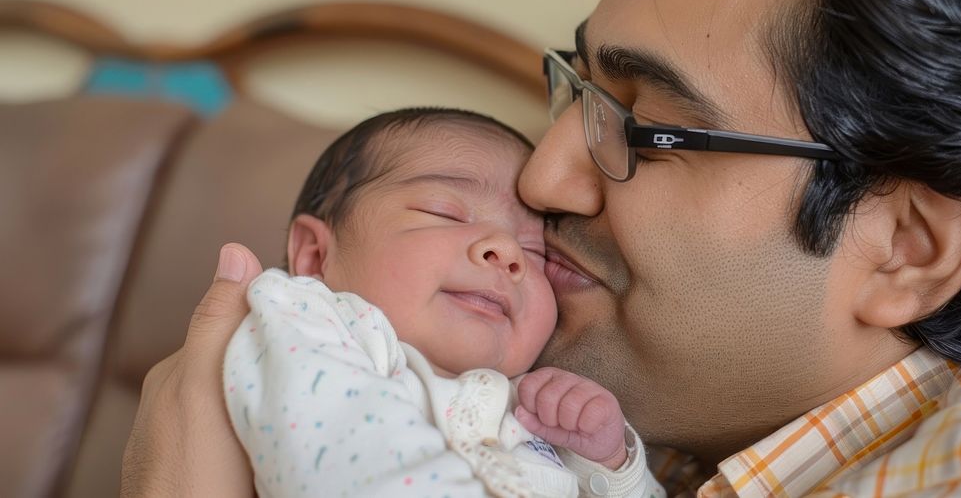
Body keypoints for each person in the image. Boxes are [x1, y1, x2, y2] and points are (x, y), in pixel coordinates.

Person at [122, 0, 961, 496]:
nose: (540, 180)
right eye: (579, 90)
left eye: (646, 125)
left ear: (905, 248)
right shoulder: (630, 411)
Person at [224, 108, 664, 497]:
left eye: (534, 250)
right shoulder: (308, 325)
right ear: (316, 256)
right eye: (444, 213)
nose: (507, 252)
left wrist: (608, 464)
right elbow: (333, 458)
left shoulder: (536, 407)